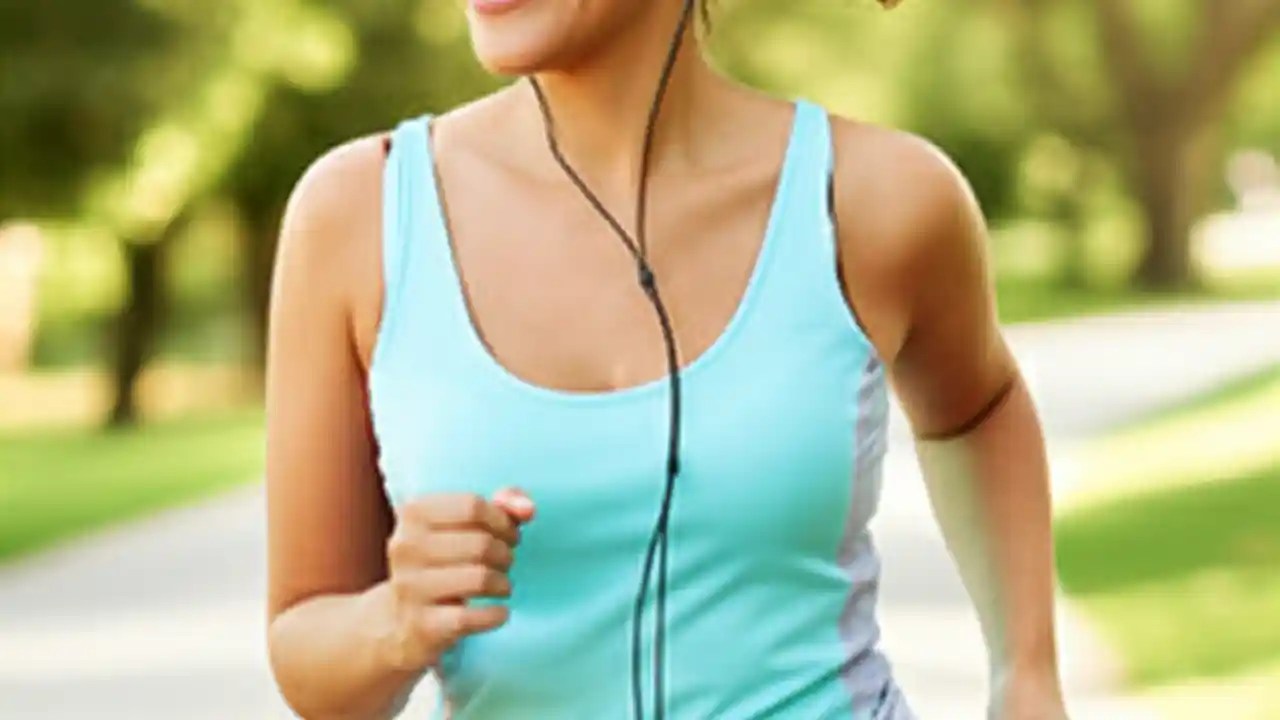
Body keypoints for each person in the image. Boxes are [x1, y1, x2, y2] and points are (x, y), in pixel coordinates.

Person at [264, 0, 1070, 718]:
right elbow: (309, 660)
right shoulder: (357, 216)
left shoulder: (875, 200)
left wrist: (1026, 676)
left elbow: (978, 408)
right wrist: (392, 623)